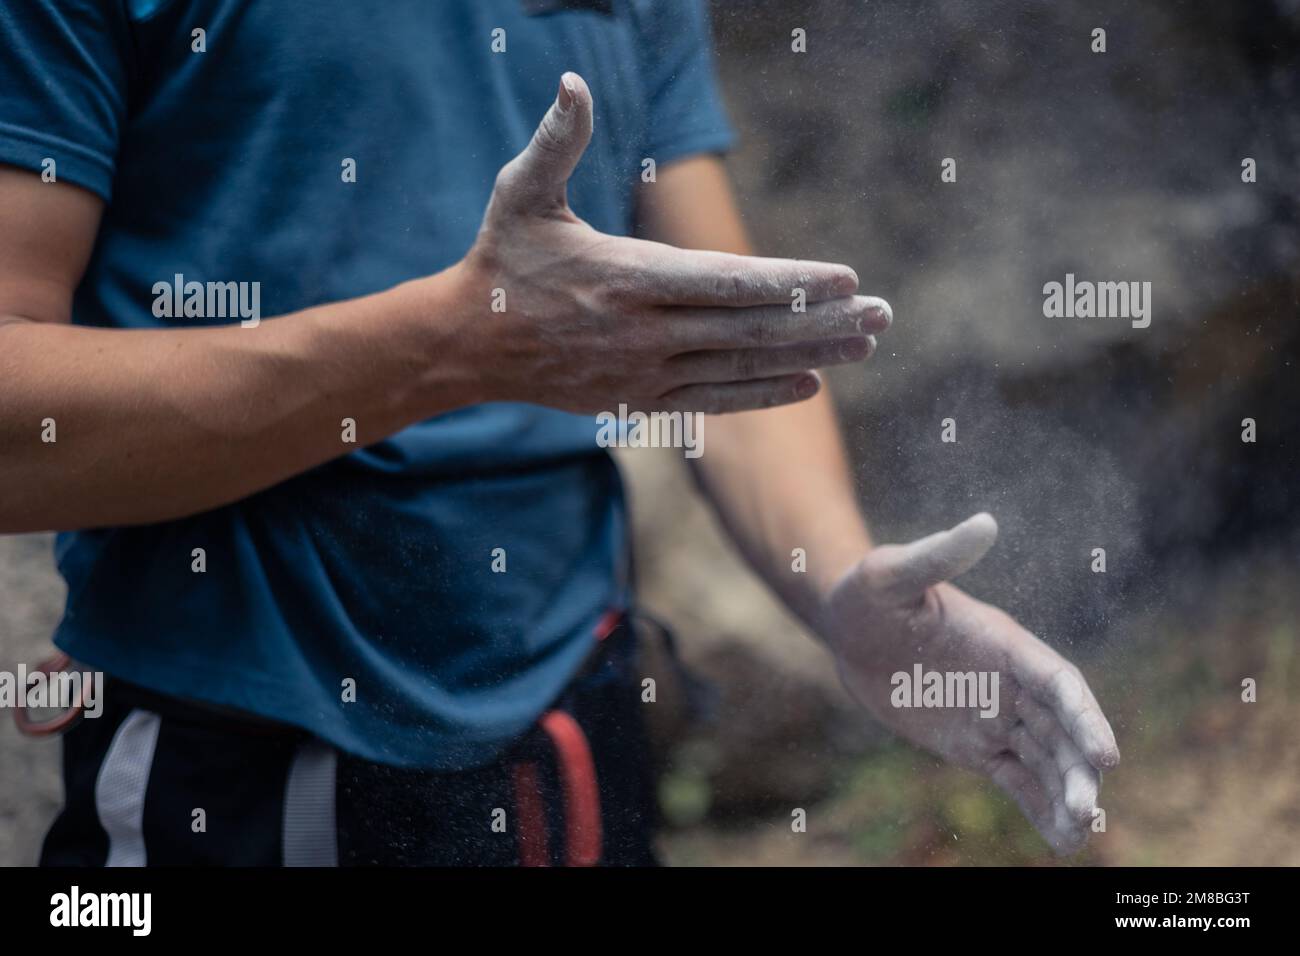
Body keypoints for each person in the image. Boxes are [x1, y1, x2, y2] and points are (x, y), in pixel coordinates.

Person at [0, 0, 1116, 866]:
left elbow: (726, 329)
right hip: (251, 745)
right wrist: (454, 343)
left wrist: (840, 586)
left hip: (577, 738)